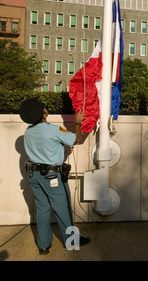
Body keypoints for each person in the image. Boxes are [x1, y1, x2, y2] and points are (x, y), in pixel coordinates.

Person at [20, 98, 90, 254]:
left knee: (43, 209)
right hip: (51, 176)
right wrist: (77, 122)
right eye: (44, 108)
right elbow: (76, 139)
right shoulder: (53, 129)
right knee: (62, 208)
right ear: (43, 114)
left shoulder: (28, 131)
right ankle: (72, 241)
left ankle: (44, 245)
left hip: (34, 175)